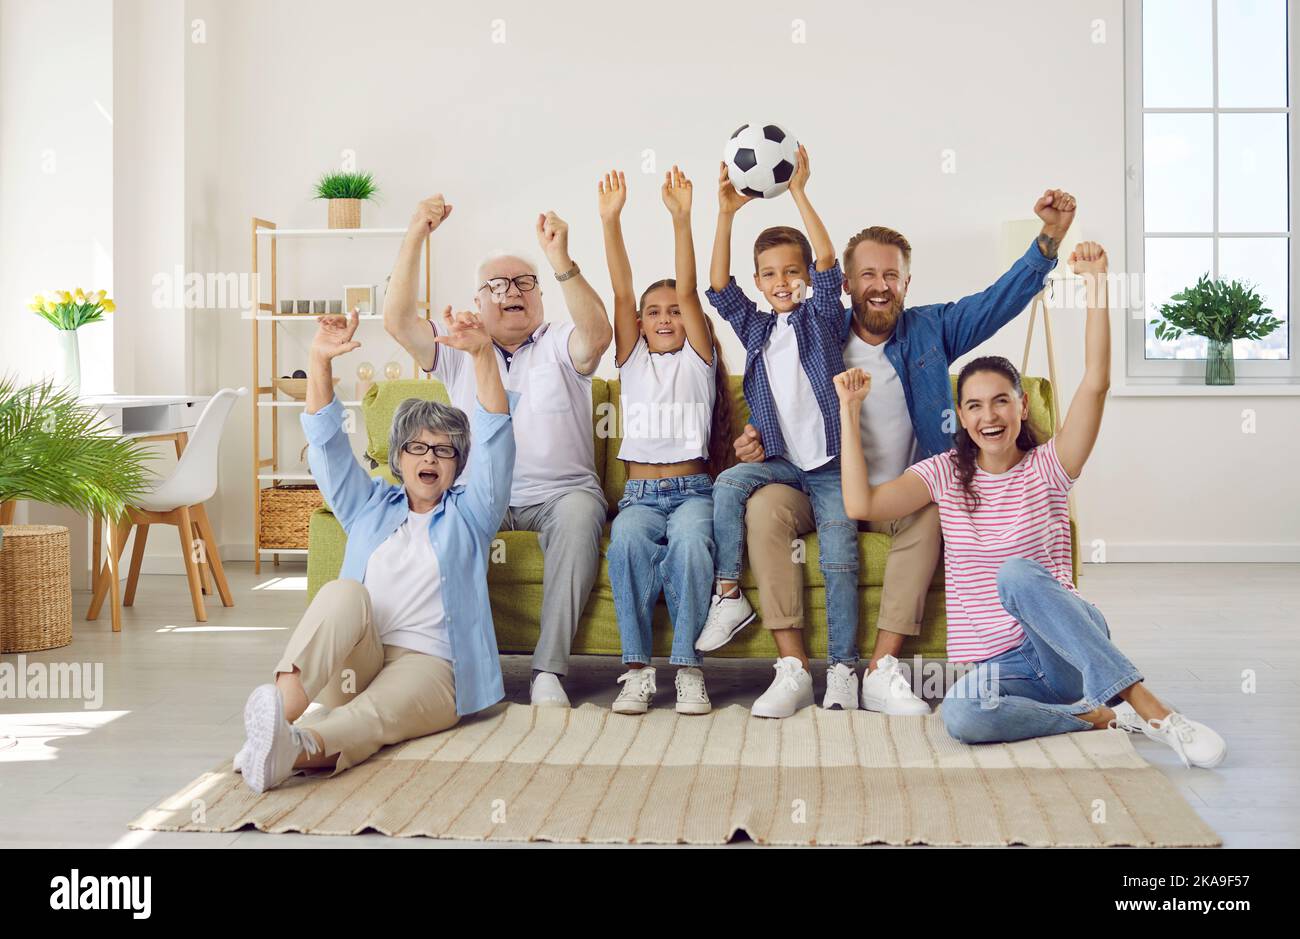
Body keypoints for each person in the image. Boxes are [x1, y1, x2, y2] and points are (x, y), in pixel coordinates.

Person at [834, 242, 1227, 768]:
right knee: (961, 715)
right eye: (974, 405)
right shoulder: (944, 474)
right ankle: (1100, 718)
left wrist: (1096, 287)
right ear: (961, 417)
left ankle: (1152, 709)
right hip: (1002, 666)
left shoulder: (1049, 465)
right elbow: (860, 503)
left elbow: (1096, 382)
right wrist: (848, 409)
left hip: (1063, 647)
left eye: (1001, 400)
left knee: (1016, 574)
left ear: (1022, 405)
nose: (989, 415)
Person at [732, 189, 1077, 718]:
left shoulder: (930, 330)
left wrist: (1048, 239)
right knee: (763, 507)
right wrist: (755, 431)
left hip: (898, 495)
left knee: (933, 510)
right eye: (868, 275)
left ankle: (881, 671)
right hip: (819, 489)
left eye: (891, 276)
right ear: (845, 285)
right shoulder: (817, 331)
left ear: (906, 284)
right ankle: (794, 669)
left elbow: (998, 298)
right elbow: (779, 390)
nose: (880, 286)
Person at [236, 306, 516, 793]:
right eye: (417, 447)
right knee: (343, 592)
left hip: (432, 667)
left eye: (444, 449)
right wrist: (319, 361)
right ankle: (277, 717)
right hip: (357, 659)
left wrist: (483, 354)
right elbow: (327, 446)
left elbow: (497, 437)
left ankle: (291, 749)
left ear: (457, 464)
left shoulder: (472, 514)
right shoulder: (368, 505)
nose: (430, 457)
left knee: (374, 718)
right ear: (398, 457)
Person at [384, 195, 613, 708]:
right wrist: (417, 230)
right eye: (498, 286)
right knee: (433, 531)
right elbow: (398, 321)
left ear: (539, 296)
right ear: (479, 302)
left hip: (560, 495)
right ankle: (437, 663)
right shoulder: (459, 349)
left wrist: (559, 260)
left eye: (524, 283)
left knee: (580, 515)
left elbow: (599, 334)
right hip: (478, 496)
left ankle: (548, 672)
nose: (513, 292)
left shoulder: (558, 342)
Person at [693, 146, 861, 718]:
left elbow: (830, 262)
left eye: (792, 271)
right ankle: (728, 594)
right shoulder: (756, 329)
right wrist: (724, 215)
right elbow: (717, 289)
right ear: (760, 284)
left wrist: (798, 190)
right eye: (770, 274)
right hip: (786, 464)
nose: (783, 280)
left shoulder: (821, 319)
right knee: (730, 484)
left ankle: (842, 669)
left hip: (833, 466)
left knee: (839, 553)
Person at [598, 165, 734, 716]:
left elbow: (690, 293)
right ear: (639, 322)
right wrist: (611, 221)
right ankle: (636, 671)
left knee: (690, 545)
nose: (663, 317)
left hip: (694, 492)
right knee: (627, 544)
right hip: (638, 497)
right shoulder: (631, 363)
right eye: (652, 313)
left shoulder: (700, 361)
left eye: (672, 310)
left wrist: (682, 220)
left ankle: (687, 669)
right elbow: (621, 287)